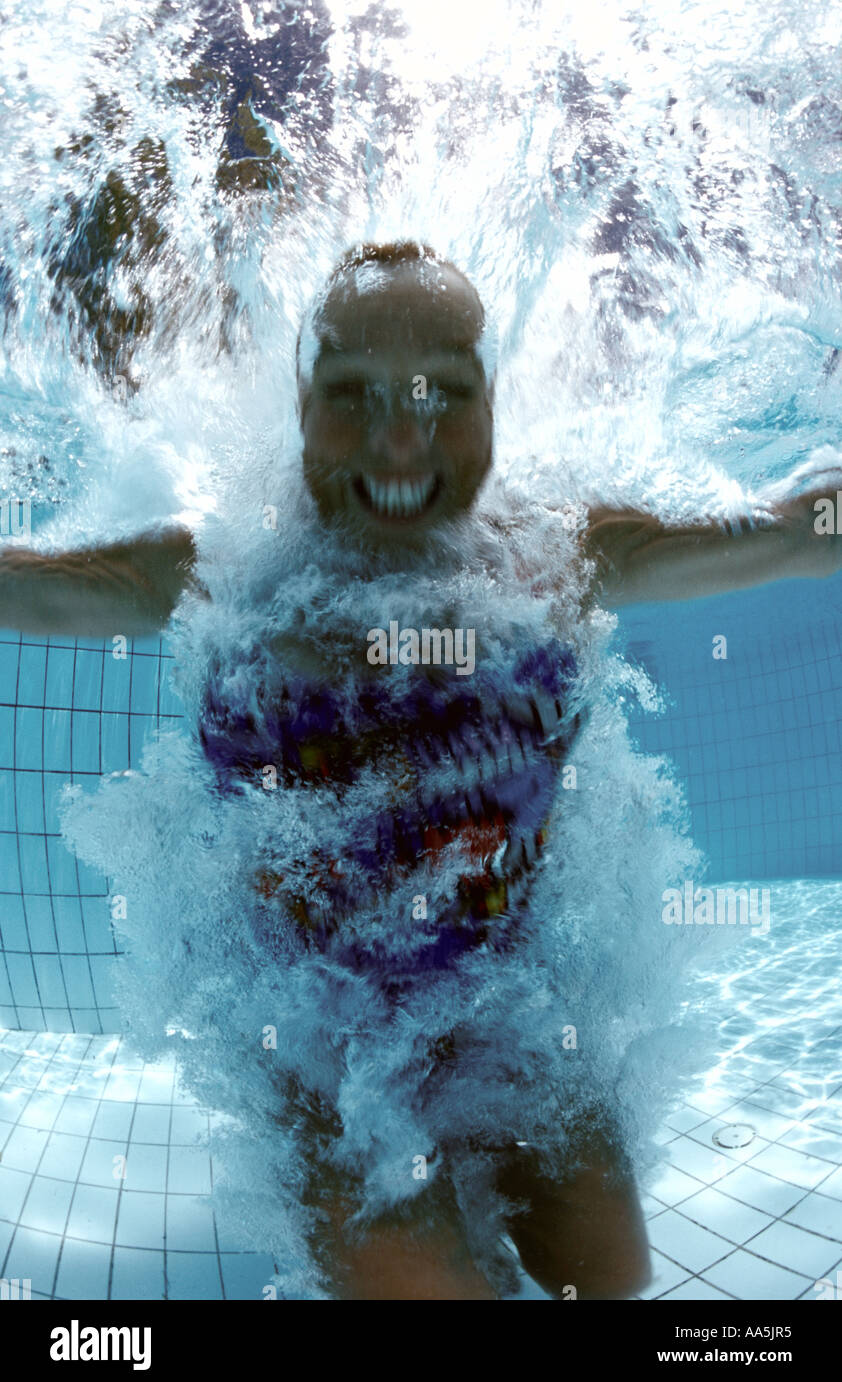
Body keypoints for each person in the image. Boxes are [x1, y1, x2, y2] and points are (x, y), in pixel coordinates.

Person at [2, 240, 839, 1300]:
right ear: (301, 403)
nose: (401, 438)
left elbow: (786, 532)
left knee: (607, 1277)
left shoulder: (557, 551)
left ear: (491, 402)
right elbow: (22, 586)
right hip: (316, 1027)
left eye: (441, 392)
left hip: (509, 994)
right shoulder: (223, 569)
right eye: (354, 394)